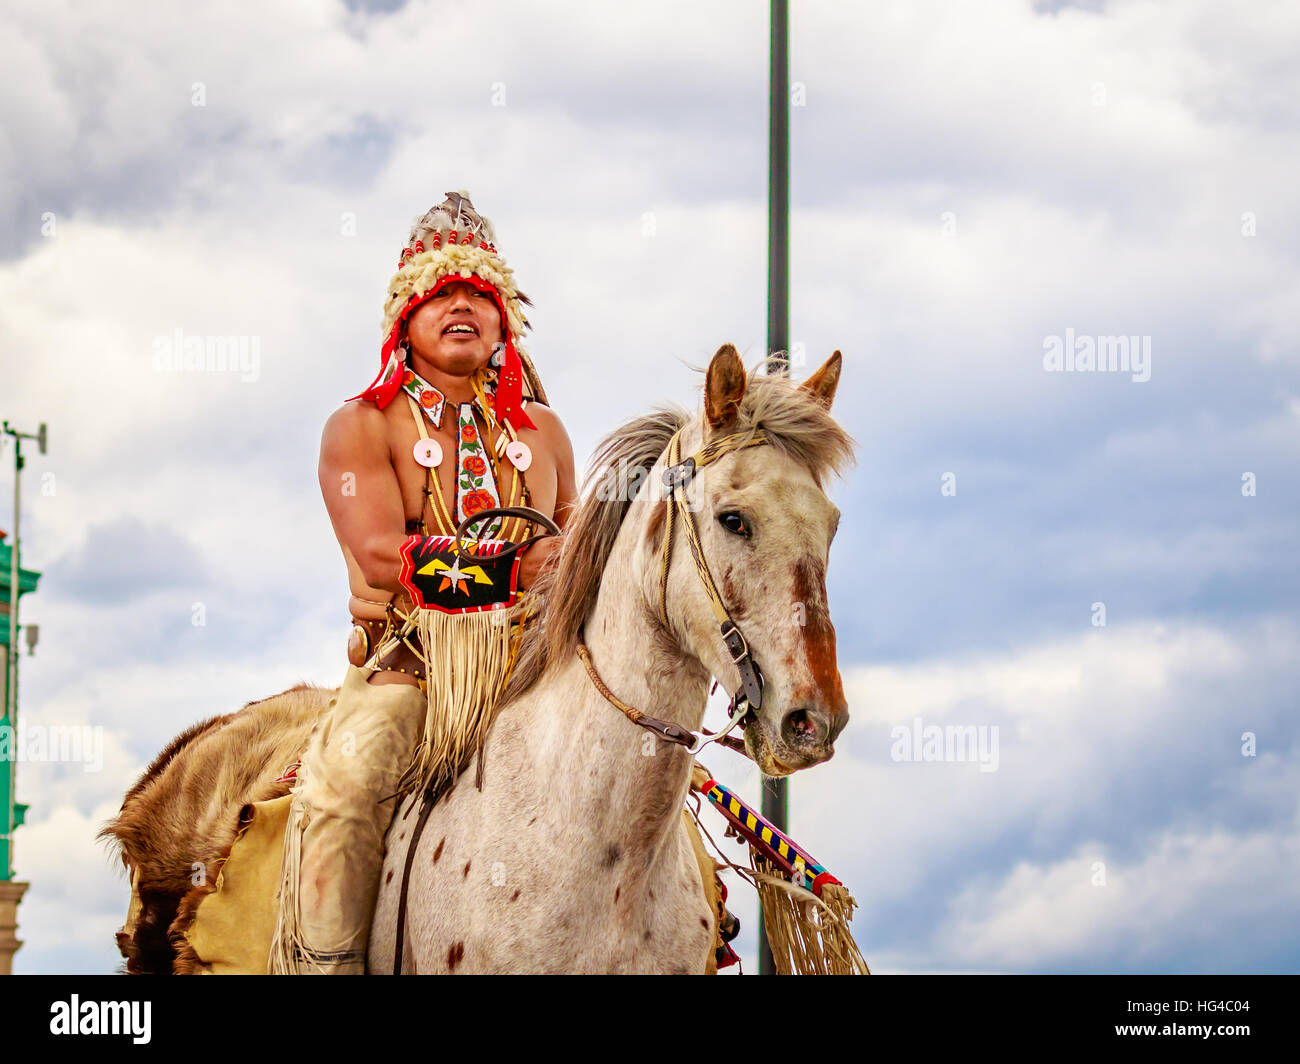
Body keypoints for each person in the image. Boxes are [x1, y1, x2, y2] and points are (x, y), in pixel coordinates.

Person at [271, 191, 578, 974]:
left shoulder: (543, 431)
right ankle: (324, 968)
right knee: (341, 796)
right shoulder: (362, 424)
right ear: (403, 319)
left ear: (506, 318)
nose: (463, 305)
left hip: (534, 677)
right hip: (408, 677)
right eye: (441, 293)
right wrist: (516, 567)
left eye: (481, 293)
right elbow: (381, 556)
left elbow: (576, 559)